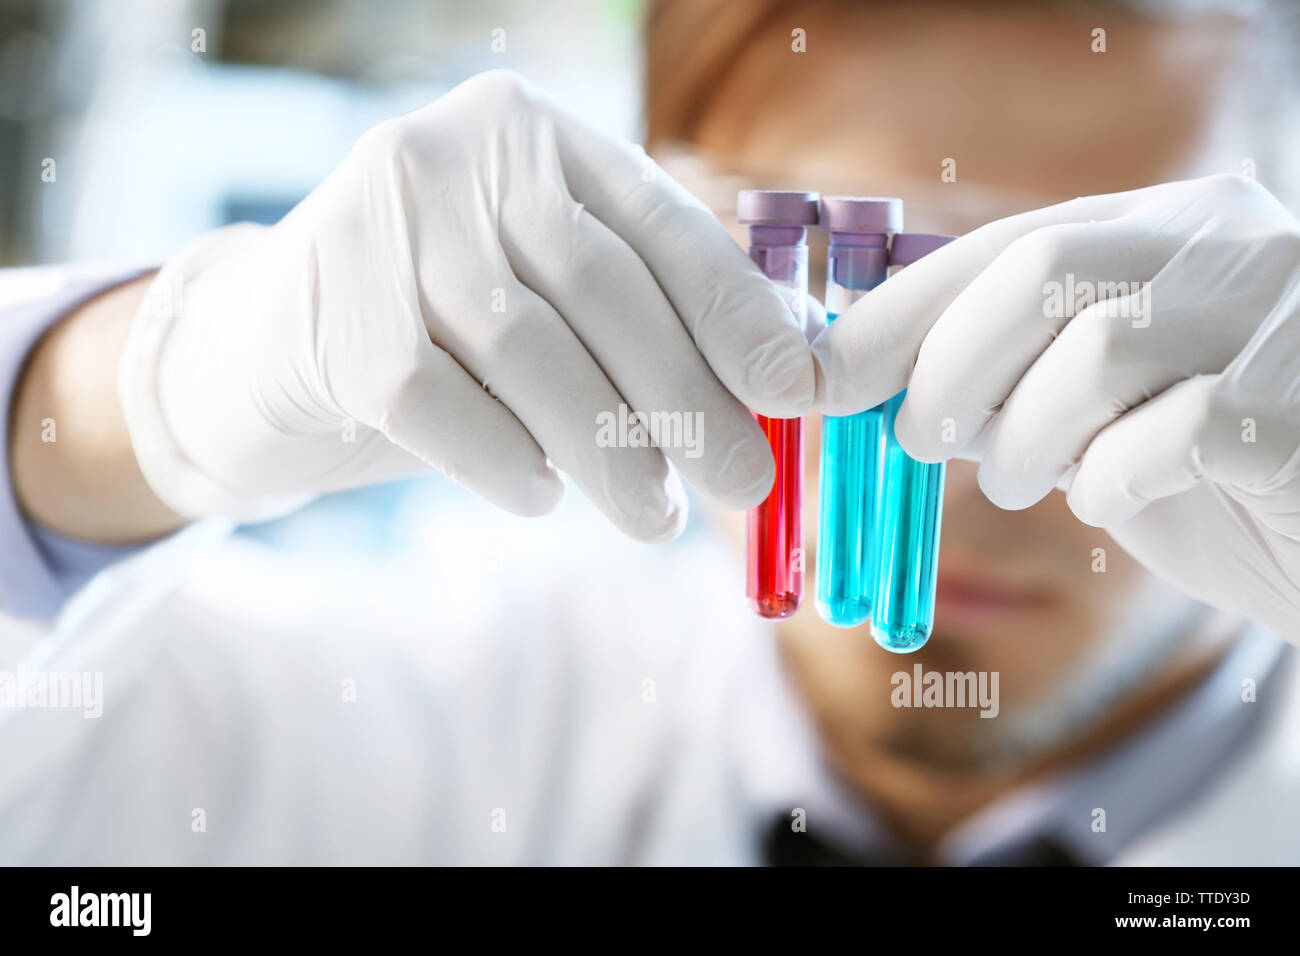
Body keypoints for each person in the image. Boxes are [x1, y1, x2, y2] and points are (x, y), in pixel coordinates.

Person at [1, 0, 1297, 864]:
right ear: (647, 226)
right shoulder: (458, 716)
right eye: (831, 290)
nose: (946, 464)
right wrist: (130, 399)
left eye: (1099, 317)